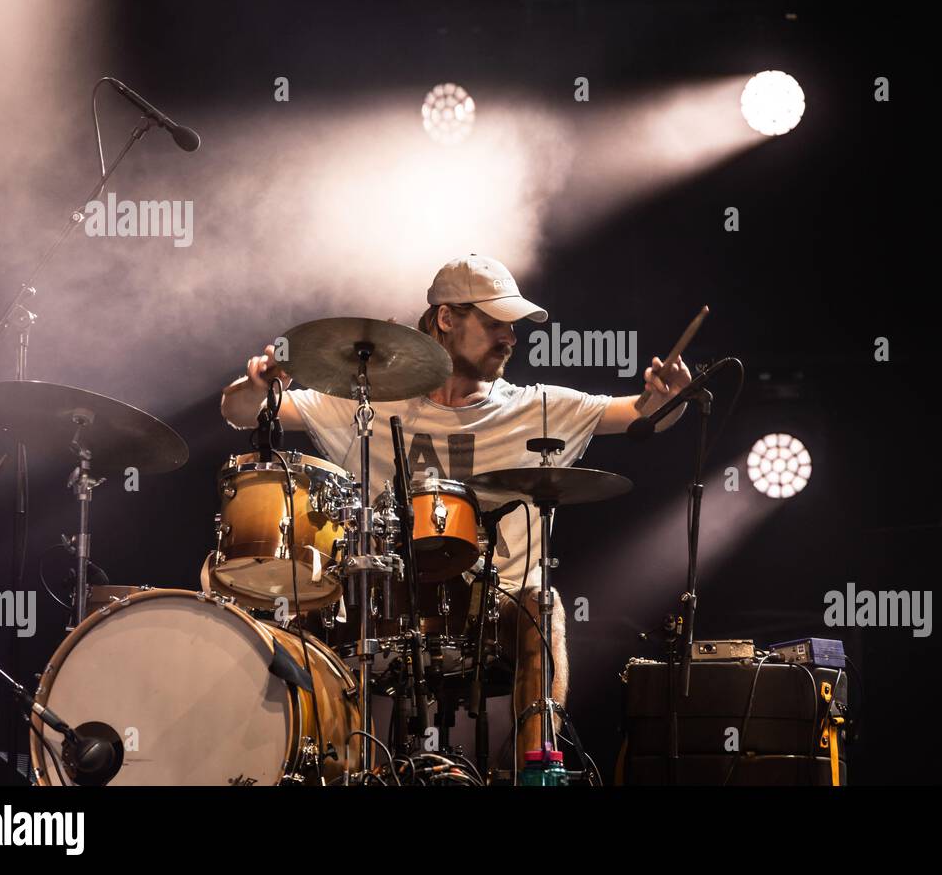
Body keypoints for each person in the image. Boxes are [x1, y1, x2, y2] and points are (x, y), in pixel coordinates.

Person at [220, 253, 691, 766]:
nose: (509, 338)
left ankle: (538, 765)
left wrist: (667, 398)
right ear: (446, 318)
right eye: (495, 324)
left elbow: (641, 415)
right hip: (394, 596)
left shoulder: (538, 407)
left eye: (512, 327)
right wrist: (257, 386)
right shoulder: (370, 402)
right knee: (309, 606)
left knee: (545, 605)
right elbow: (240, 412)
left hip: (500, 601)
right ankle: (332, 764)